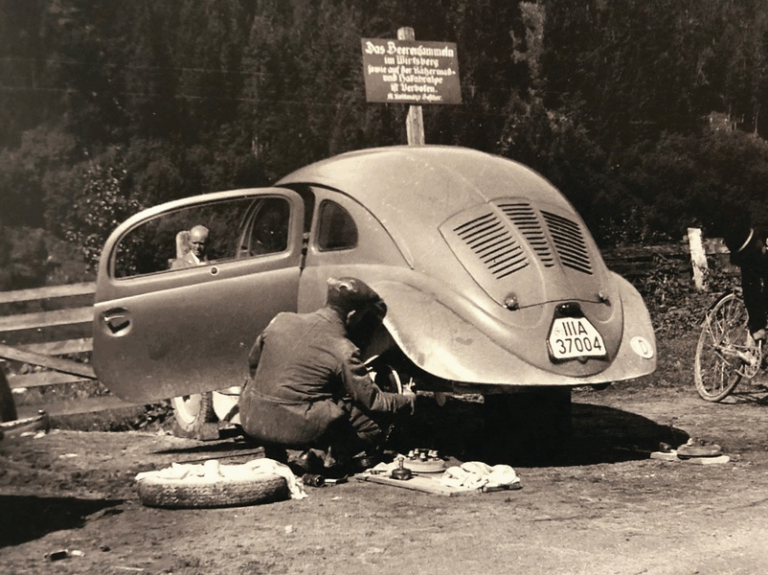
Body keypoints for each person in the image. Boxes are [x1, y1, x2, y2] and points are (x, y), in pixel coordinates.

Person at [238, 277, 416, 474]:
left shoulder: (281, 320)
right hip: (298, 429)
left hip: (251, 419)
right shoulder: (343, 349)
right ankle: (325, 455)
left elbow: (253, 365)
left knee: (277, 391)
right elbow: (374, 401)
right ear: (353, 314)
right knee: (372, 426)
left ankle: (274, 451)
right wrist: (408, 399)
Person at [723, 223, 768, 344]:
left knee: (754, 286)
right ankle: (757, 327)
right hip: (749, 241)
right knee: (751, 284)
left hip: (752, 240)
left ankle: (757, 328)